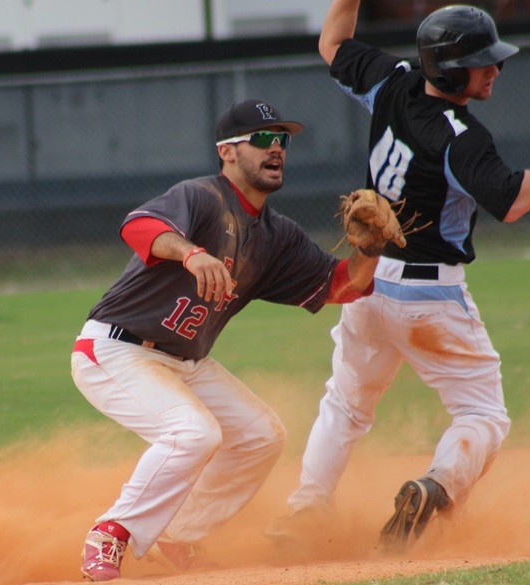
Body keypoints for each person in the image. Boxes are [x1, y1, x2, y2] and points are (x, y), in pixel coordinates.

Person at [267, 1, 530, 551]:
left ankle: (306, 510)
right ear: (451, 70)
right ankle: (433, 485)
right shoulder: (462, 137)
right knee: (483, 414)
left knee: (345, 405)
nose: (496, 70)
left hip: (369, 281)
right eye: (484, 62)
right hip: (430, 294)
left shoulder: (393, 82)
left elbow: (332, 43)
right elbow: (513, 202)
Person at [72, 98, 386, 581]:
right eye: (262, 139)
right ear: (227, 152)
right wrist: (191, 252)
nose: (276, 148)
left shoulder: (277, 234)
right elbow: (138, 226)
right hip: (116, 349)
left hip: (185, 363)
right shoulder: (200, 196)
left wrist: (371, 248)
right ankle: (111, 533)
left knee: (260, 436)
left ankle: (178, 536)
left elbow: (340, 287)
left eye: (282, 140)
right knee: (194, 433)